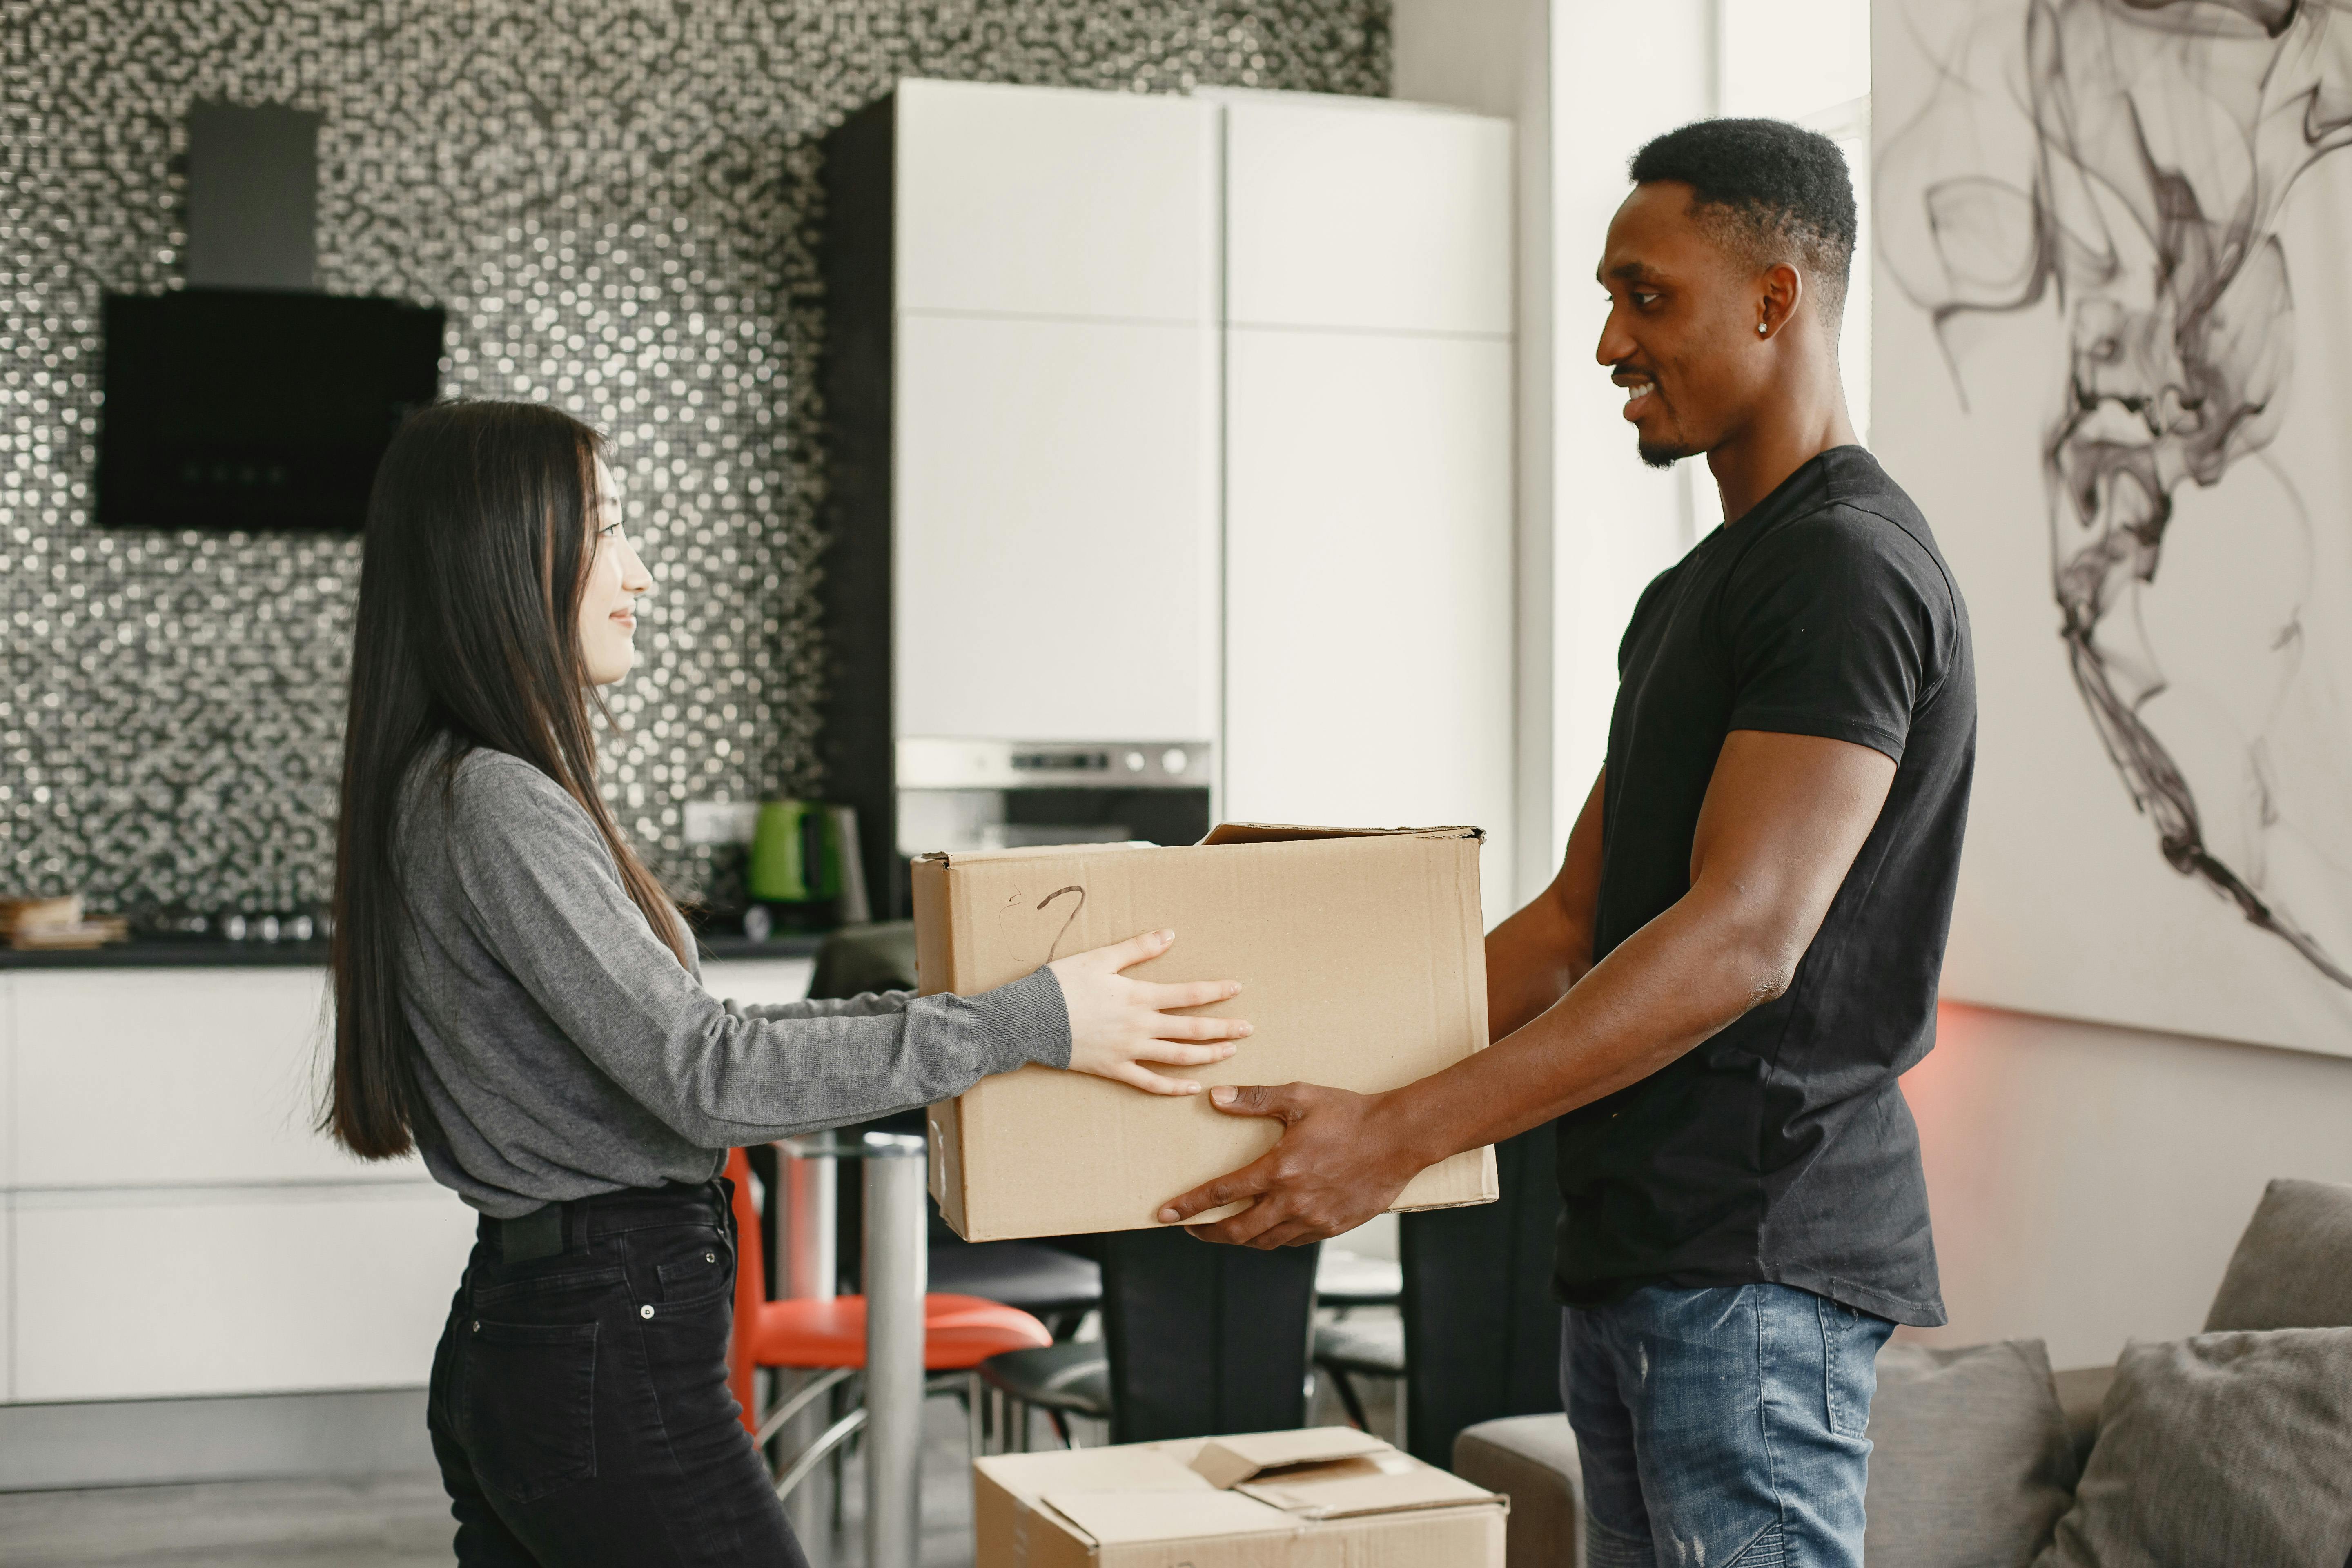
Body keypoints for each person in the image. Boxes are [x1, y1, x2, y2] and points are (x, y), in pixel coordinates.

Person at [1158, 118, 1975, 1568]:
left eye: (1646, 295)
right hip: (1642, 1263)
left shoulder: (1847, 570)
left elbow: (1740, 940)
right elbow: (1567, 927)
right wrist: (1277, 1087)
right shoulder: (1696, 594)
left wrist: (1394, 1141)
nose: (1608, 340)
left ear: (1775, 298)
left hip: (1757, 1261)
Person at [323, 400, 1252, 1567]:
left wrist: (984, 1018)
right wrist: (1031, 1023)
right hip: (606, 1340)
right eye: (607, 533)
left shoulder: (448, 786)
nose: (640, 574)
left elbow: (705, 1041)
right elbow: (708, 1077)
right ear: (510, 555)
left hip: (543, 1334)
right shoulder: (497, 801)